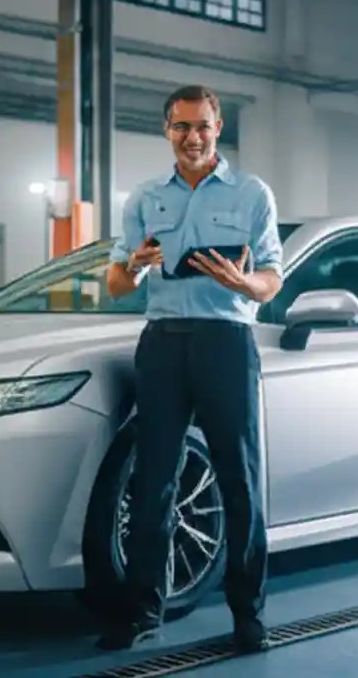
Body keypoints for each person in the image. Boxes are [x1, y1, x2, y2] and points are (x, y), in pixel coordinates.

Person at [98, 84, 283, 653]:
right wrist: (133, 264)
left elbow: (273, 275)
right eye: (181, 126)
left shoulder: (252, 193)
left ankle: (247, 616)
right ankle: (142, 612)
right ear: (166, 130)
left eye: (201, 125)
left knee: (239, 479)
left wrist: (242, 284)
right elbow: (114, 284)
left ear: (218, 127)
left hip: (226, 341)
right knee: (154, 481)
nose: (192, 137)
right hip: (162, 344)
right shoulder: (145, 197)